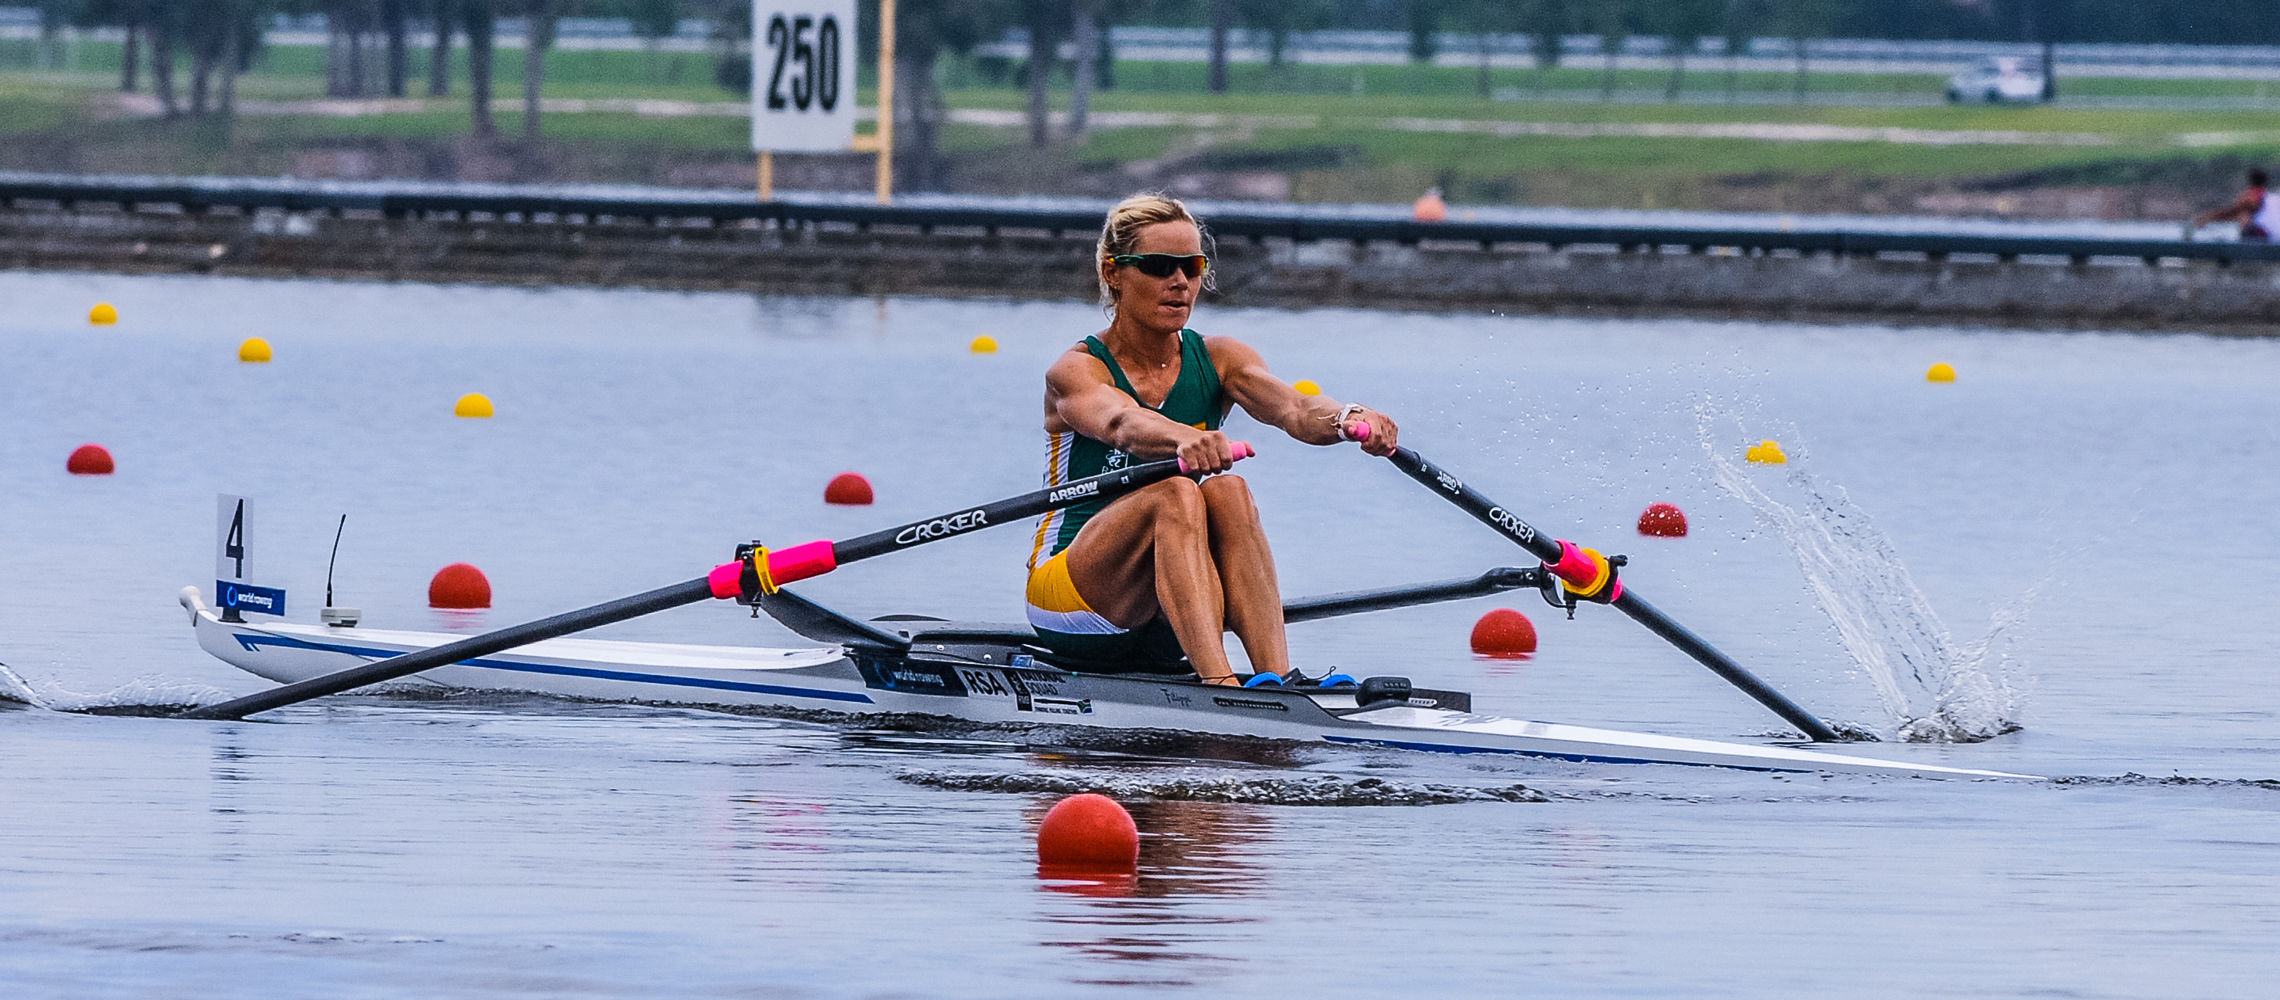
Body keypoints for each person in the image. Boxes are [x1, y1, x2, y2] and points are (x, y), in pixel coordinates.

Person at [1026, 193, 1398, 686]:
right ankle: (1220, 685)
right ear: (1114, 273)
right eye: (1159, 266)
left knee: (1228, 490)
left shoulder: (1221, 358)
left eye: (1192, 266)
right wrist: (1183, 438)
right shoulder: (1075, 370)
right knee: (1176, 494)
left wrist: (1349, 416)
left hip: (1167, 612)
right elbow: (1120, 422)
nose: (1180, 282)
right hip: (1073, 602)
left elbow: (1294, 408)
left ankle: (1277, 678)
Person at [2191, 168, 2279, 242]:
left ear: (2250, 181)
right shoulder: (2272, 198)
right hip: (2275, 238)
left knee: (2243, 216)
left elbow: (2232, 212)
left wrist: (2207, 218)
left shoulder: (2251, 195)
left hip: (2262, 236)